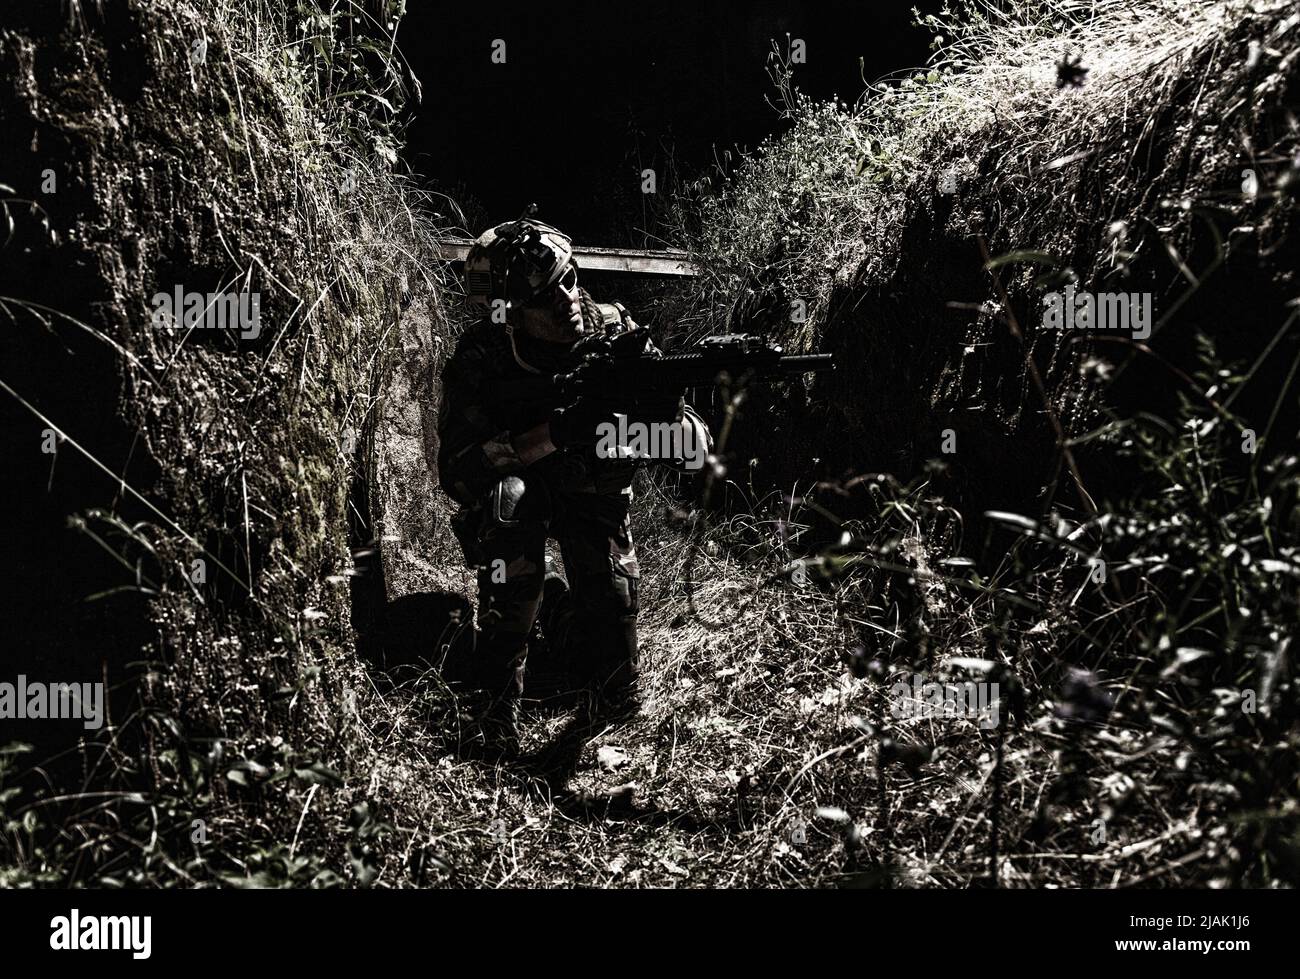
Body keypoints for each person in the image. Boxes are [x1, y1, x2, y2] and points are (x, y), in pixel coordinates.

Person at [437, 217, 710, 757]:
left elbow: (694, 450)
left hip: (593, 501)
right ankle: (494, 705)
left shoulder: (615, 336)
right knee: (507, 504)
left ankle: (558, 617)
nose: (567, 299)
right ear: (511, 313)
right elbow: (459, 471)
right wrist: (558, 431)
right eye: (546, 296)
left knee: (615, 687)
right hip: (521, 503)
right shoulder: (484, 359)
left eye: (570, 279)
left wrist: (660, 416)